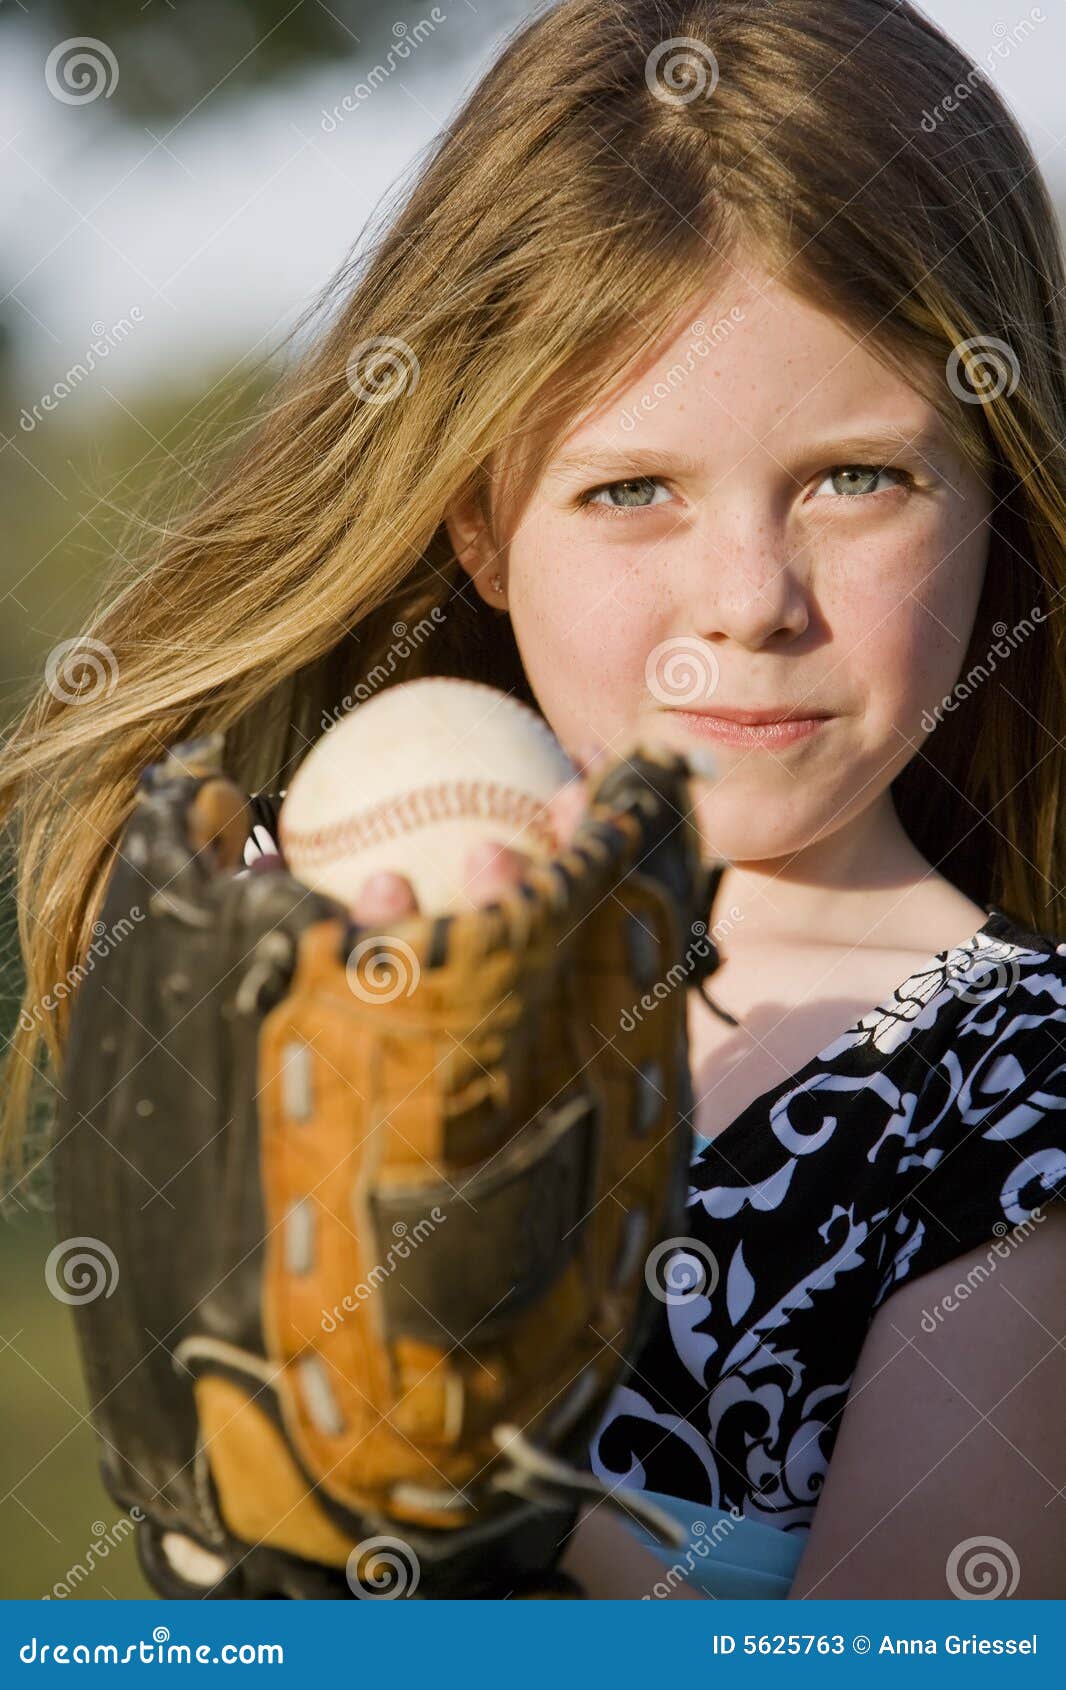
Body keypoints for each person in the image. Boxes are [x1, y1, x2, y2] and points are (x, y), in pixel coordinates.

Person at [3, 0, 1066, 1599]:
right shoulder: (305, 955)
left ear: (997, 474)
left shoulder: (1011, 1087)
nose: (749, 597)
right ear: (481, 526)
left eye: (859, 474)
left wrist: (487, 1507)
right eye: (629, 488)